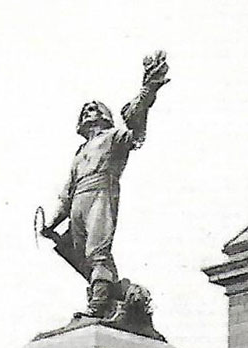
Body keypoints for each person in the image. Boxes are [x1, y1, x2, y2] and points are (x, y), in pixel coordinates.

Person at [42, 51, 169, 318]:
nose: (88, 113)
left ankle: (99, 303)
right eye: (84, 110)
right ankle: (111, 295)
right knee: (85, 257)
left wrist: (148, 90)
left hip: (102, 190)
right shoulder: (79, 152)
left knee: (97, 249)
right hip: (79, 200)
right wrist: (51, 224)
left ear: (104, 115)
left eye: (93, 109)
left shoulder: (113, 137)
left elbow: (135, 130)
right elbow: (66, 194)